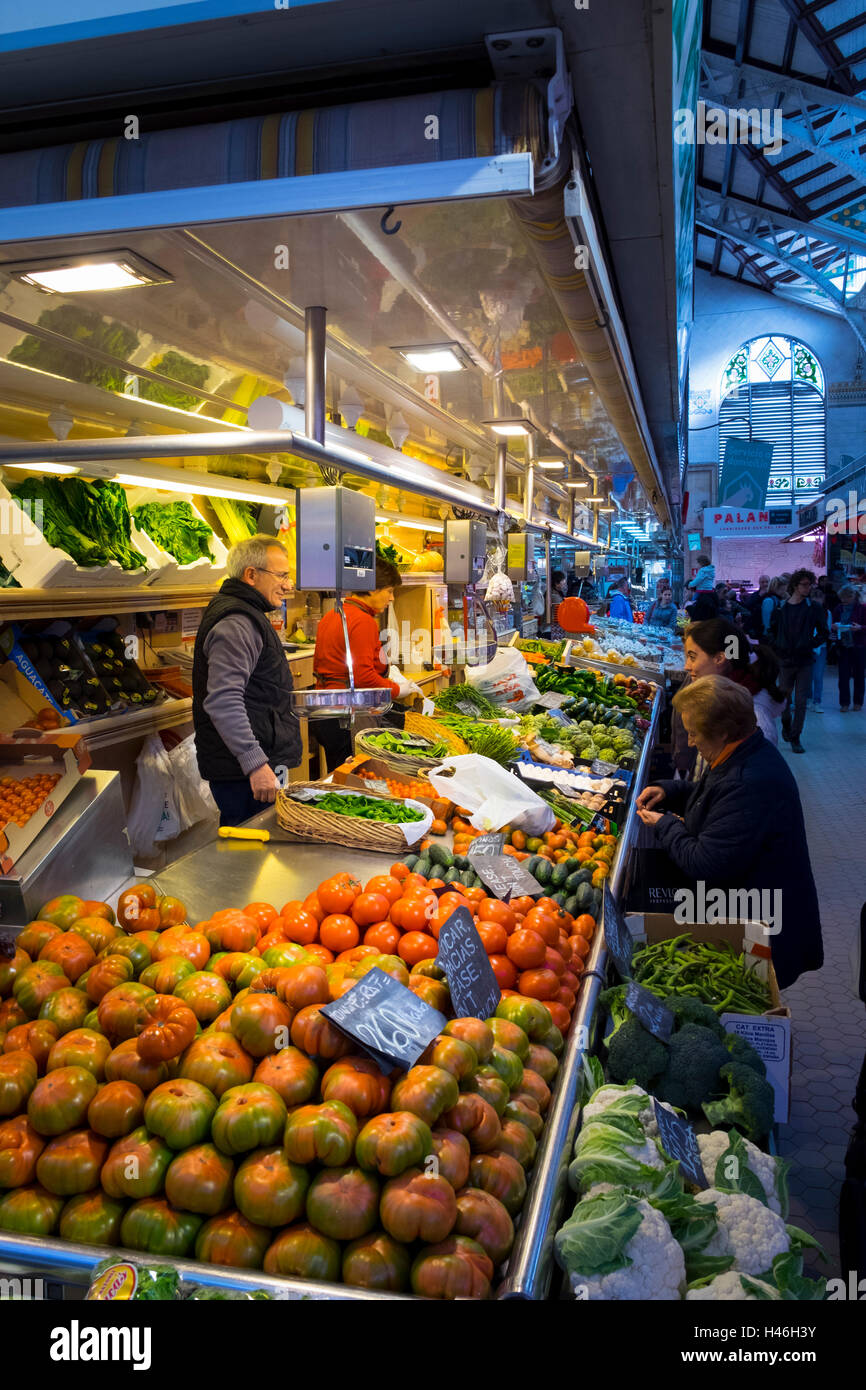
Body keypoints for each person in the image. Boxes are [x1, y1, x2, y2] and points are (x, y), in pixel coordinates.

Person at [636, 675, 823, 990]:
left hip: (760, 922)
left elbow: (705, 863)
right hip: (749, 906)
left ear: (721, 732)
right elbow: (715, 797)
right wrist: (671, 791)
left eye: (694, 733)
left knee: (745, 994)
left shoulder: (749, 781)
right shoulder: (744, 751)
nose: (690, 742)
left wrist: (664, 824)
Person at [193, 534, 301, 827]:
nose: (288, 585)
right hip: (243, 773)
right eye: (281, 576)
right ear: (251, 575)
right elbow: (223, 700)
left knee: (265, 845)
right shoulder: (236, 622)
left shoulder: (249, 613)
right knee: (248, 846)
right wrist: (256, 764)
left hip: (255, 762)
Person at [313, 556, 404, 770]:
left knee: (339, 772)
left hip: (325, 713)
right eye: (389, 591)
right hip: (347, 714)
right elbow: (363, 678)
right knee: (355, 775)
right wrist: (398, 689)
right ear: (372, 589)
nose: (391, 598)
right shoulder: (363, 621)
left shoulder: (333, 614)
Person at [769, 569, 828, 754]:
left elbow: (824, 632)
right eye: (804, 584)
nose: (808, 588)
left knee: (801, 701)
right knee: (785, 699)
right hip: (785, 659)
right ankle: (786, 724)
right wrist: (777, 646)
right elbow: (771, 630)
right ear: (795, 586)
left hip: (804, 660)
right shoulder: (781, 608)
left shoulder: (814, 608)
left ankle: (796, 737)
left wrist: (809, 644)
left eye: (810, 584)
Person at [832, 585, 866, 713]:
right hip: (843, 646)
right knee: (843, 676)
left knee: (859, 675)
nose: (843, 601)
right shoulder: (838, 608)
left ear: (852, 597)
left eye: (845, 599)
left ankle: (858, 702)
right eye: (841, 598)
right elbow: (833, 624)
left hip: (859, 646)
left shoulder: (862, 609)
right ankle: (844, 703)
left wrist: (860, 628)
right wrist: (834, 627)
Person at [807, 589, 827, 713]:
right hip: (808, 646)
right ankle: (809, 699)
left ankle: (817, 701)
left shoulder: (827, 613)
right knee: (808, 675)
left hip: (821, 647)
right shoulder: (806, 612)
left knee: (818, 676)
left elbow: (826, 630)